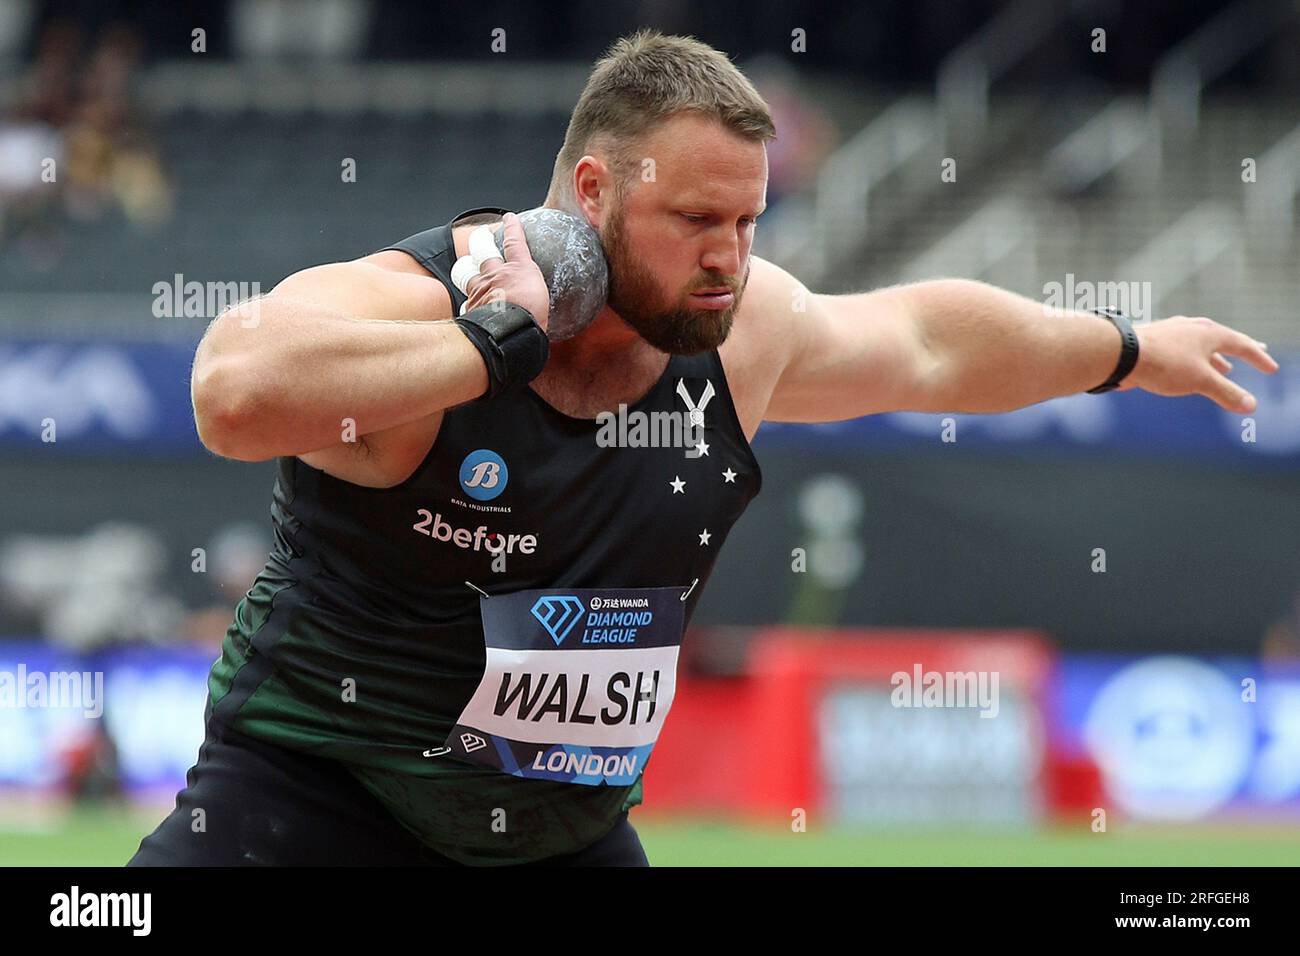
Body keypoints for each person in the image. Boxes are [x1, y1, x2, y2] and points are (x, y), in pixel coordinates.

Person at [130, 29, 1278, 867]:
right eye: (694, 221)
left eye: (747, 220)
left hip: (561, 836)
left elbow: (929, 343)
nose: (729, 256)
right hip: (313, 804)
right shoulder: (423, 299)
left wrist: (1129, 347)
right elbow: (232, 391)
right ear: (592, 191)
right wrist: (490, 346)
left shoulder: (741, 330)